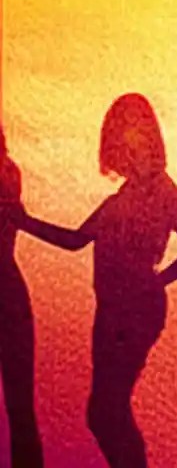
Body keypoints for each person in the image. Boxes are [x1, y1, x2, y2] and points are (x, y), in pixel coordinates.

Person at [18, 94, 177, 467]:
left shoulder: (162, 190)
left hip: (134, 310)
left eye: (135, 133)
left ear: (148, 139)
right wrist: (22, 220)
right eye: (122, 136)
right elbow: (75, 240)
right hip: (111, 309)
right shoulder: (122, 197)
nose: (128, 144)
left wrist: (159, 281)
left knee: (108, 411)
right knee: (106, 411)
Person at [0, 125, 43, 467]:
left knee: (20, 409)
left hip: (8, 291)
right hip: (10, 290)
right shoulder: (10, 169)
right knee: (21, 409)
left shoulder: (8, 172)